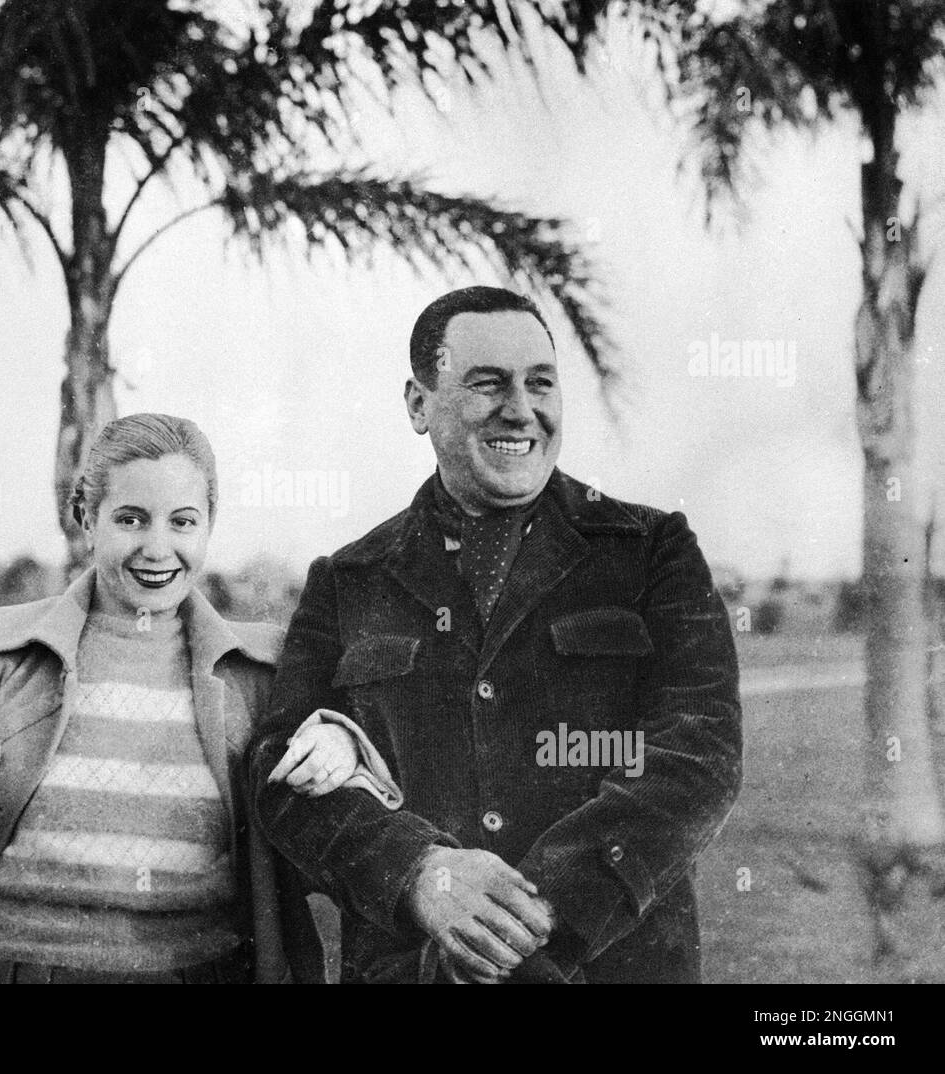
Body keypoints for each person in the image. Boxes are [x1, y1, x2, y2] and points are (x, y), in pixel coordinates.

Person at [249, 286, 744, 984]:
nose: (521, 408)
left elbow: (699, 753)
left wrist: (531, 921)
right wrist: (420, 875)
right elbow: (280, 773)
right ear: (419, 405)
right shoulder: (350, 579)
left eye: (540, 383)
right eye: (487, 384)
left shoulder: (650, 551)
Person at [0, 412, 397, 983]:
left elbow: (352, 816)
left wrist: (343, 741)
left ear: (209, 525)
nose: (157, 548)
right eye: (131, 519)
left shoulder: (266, 674)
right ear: (87, 519)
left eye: (183, 522)